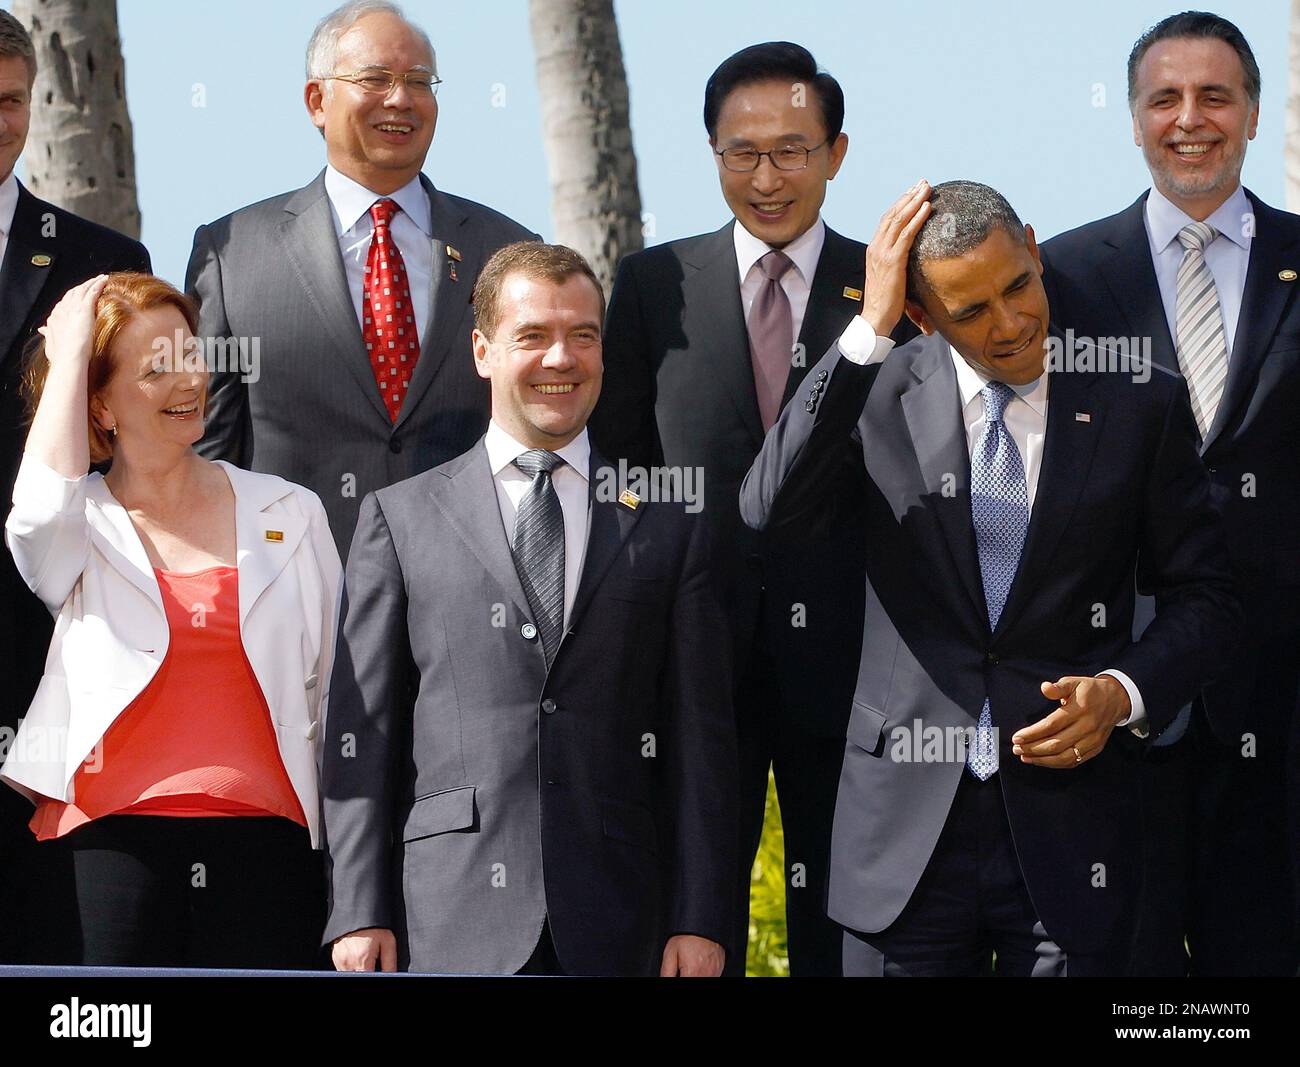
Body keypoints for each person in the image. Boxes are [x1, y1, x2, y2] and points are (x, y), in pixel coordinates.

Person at [741, 179, 1239, 976]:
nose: (1010, 324)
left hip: (1075, 841)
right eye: (971, 311)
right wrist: (866, 331)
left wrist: (1122, 690)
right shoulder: (874, 399)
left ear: (1037, 251)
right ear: (922, 316)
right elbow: (767, 507)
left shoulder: (1139, 400)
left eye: (1018, 285)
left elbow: (1209, 598)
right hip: (900, 849)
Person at [323, 242, 737, 976]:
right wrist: (360, 907)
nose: (561, 358)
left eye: (583, 335)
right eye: (533, 336)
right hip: (448, 918)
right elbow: (366, 732)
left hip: (623, 919)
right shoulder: (401, 518)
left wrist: (699, 916)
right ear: (483, 351)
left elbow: (699, 742)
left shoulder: (669, 521)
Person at [589, 41, 912, 976]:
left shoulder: (887, 286)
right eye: (742, 153)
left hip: (855, 663)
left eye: (792, 150)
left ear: (836, 153)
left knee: (841, 924)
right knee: (693, 918)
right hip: (691, 658)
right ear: (713, 153)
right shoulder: (653, 286)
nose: (766, 178)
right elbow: (621, 471)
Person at [1040, 11, 1300, 977]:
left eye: (1215, 96)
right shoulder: (1058, 277)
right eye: (1165, 98)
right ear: (1135, 119)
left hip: (1281, 709)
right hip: (1117, 698)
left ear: (1254, 113)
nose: (1190, 119)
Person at [1, 273, 341, 968]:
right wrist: (67, 356)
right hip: (106, 847)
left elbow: (337, 694)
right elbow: (33, 518)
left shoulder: (290, 510)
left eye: (190, 354)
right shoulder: (77, 521)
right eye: (157, 368)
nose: (188, 380)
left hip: (268, 852)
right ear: (100, 404)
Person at [187, 0, 537, 560]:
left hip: (471, 583)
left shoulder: (505, 250)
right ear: (317, 100)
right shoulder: (234, 252)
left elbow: (537, 427)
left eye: (419, 81)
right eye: (375, 79)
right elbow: (206, 445)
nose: (400, 99)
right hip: (291, 585)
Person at [0, 9, 151, 964]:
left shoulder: (101, 262)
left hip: (51, 642)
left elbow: (133, 448)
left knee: (53, 937)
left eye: (10, 101)